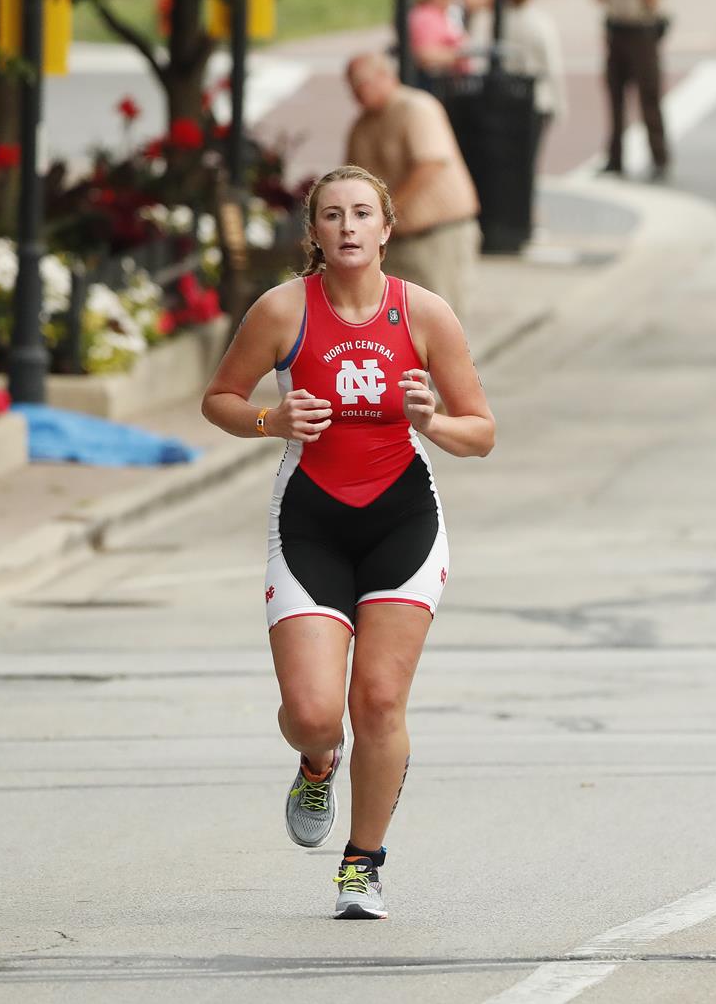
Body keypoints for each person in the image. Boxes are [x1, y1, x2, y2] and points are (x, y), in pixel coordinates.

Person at [201, 165, 496, 920]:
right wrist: (271, 421)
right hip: (311, 520)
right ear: (316, 233)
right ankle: (314, 761)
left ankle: (362, 865)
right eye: (333, 215)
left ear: (387, 229)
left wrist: (430, 421)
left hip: (403, 519)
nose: (349, 227)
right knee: (312, 709)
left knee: (379, 699)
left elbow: (481, 432)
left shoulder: (425, 314)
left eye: (363, 214)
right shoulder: (281, 311)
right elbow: (221, 400)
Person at [345, 52, 481, 317]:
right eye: (352, 85)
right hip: (394, 239)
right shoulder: (361, 125)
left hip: (437, 235)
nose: (357, 92)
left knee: (439, 319)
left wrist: (385, 210)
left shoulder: (415, 107)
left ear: (386, 76)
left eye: (362, 82)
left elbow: (429, 163)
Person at [593, 0, 672, 181]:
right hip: (616, 30)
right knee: (614, 96)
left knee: (649, 96)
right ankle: (615, 158)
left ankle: (659, 157)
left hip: (643, 32)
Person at [501, 0, 568, 178]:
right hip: (538, 96)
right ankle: (527, 202)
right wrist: (561, 103)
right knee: (530, 154)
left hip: (507, 94)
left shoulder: (501, 20)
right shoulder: (539, 22)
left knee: (510, 152)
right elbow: (553, 64)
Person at [409, 0, 469, 77]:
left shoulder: (443, 13)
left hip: (452, 79)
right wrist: (459, 55)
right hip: (435, 81)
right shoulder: (424, 16)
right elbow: (424, 54)